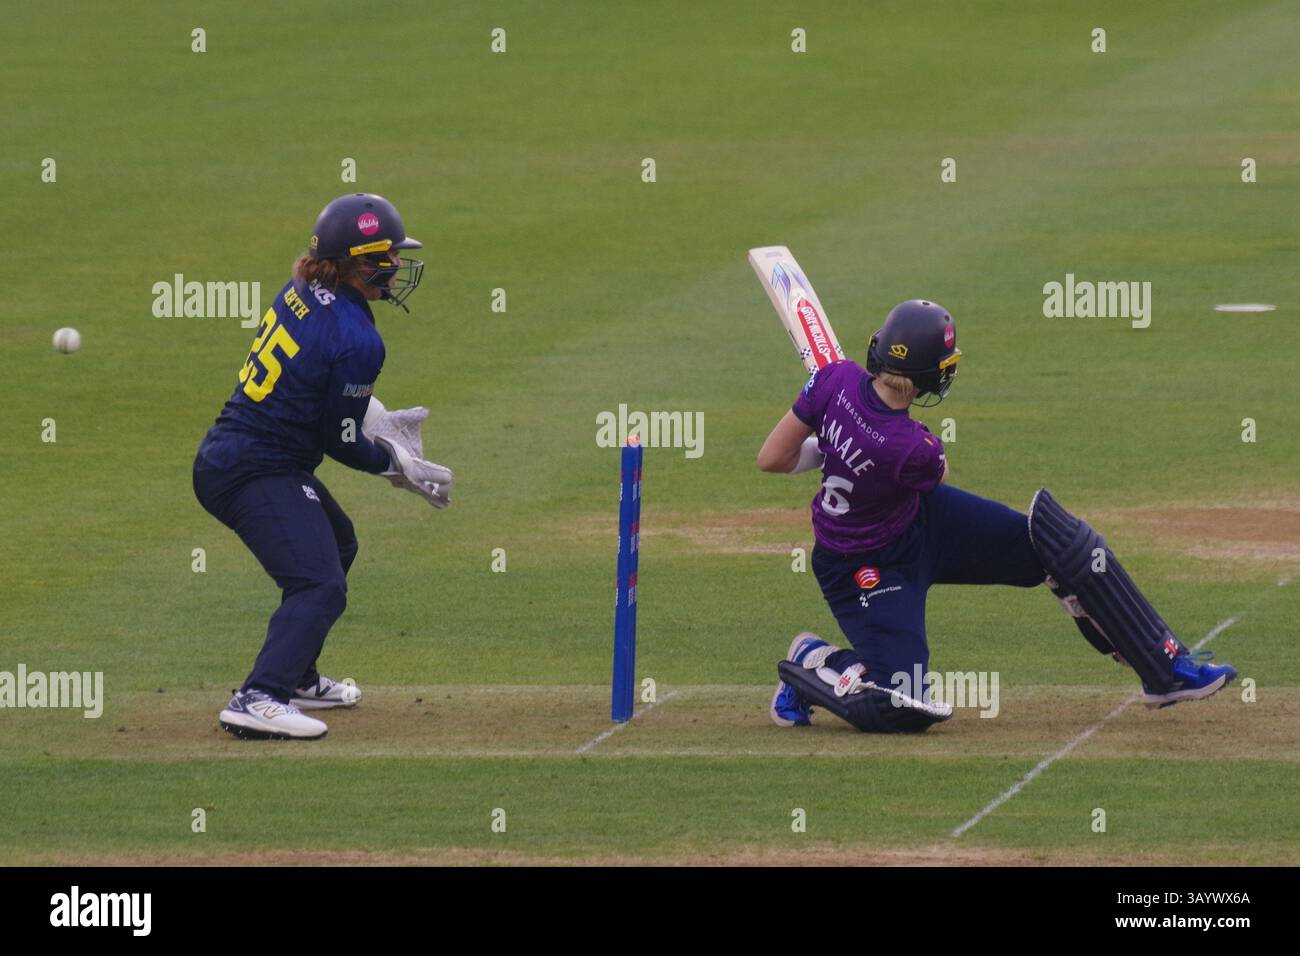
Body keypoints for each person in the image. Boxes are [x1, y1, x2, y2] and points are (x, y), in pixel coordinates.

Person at [757, 299, 1237, 733]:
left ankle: (1166, 669)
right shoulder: (916, 448)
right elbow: (930, 472)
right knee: (900, 704)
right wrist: (856, 446)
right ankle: (810, 661)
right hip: (863, 566)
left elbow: (772, 458)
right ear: (934, 375)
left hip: (923, 521)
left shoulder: (831, 379)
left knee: (1064, 552)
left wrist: (834, 444)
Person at [193, 193, 453, 740]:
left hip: (247, 455)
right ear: (363, 262)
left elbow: (318, 393)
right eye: (391, 254)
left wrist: (374, 423)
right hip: (252, 469)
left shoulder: (302, 290)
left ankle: (297, 676)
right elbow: (338, 440)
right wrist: (396, 465)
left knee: (339, 544)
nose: (400, 265)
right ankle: (258, 697)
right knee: (320, 584)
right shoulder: (359, 339)